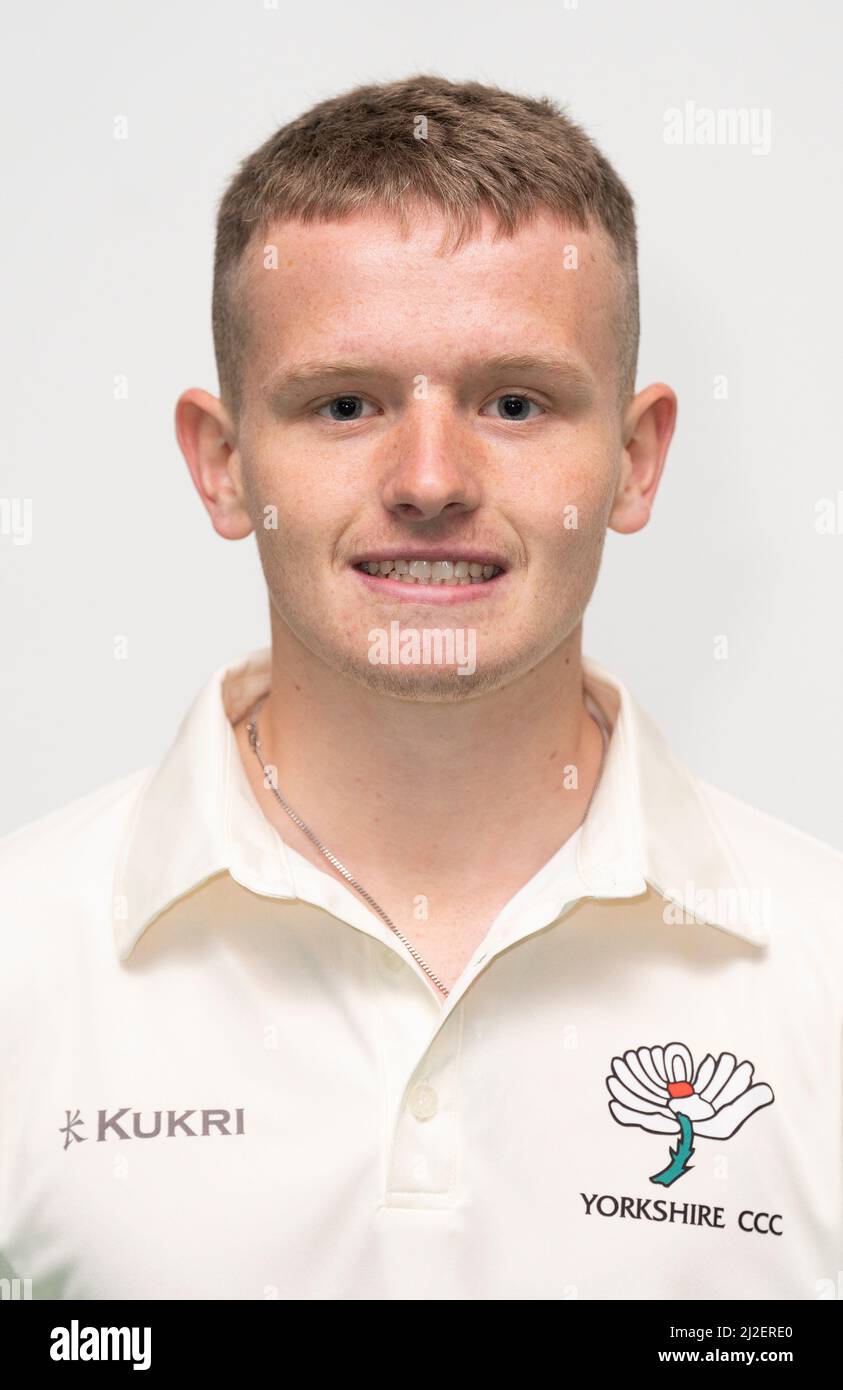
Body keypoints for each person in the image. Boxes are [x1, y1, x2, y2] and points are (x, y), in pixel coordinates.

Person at [1, 74, 841, 1302]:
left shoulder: (827, 971)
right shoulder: (21, 959)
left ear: (635, 458)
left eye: (515, 401)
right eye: (345, 404)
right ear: (224, 465)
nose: (432, 478)